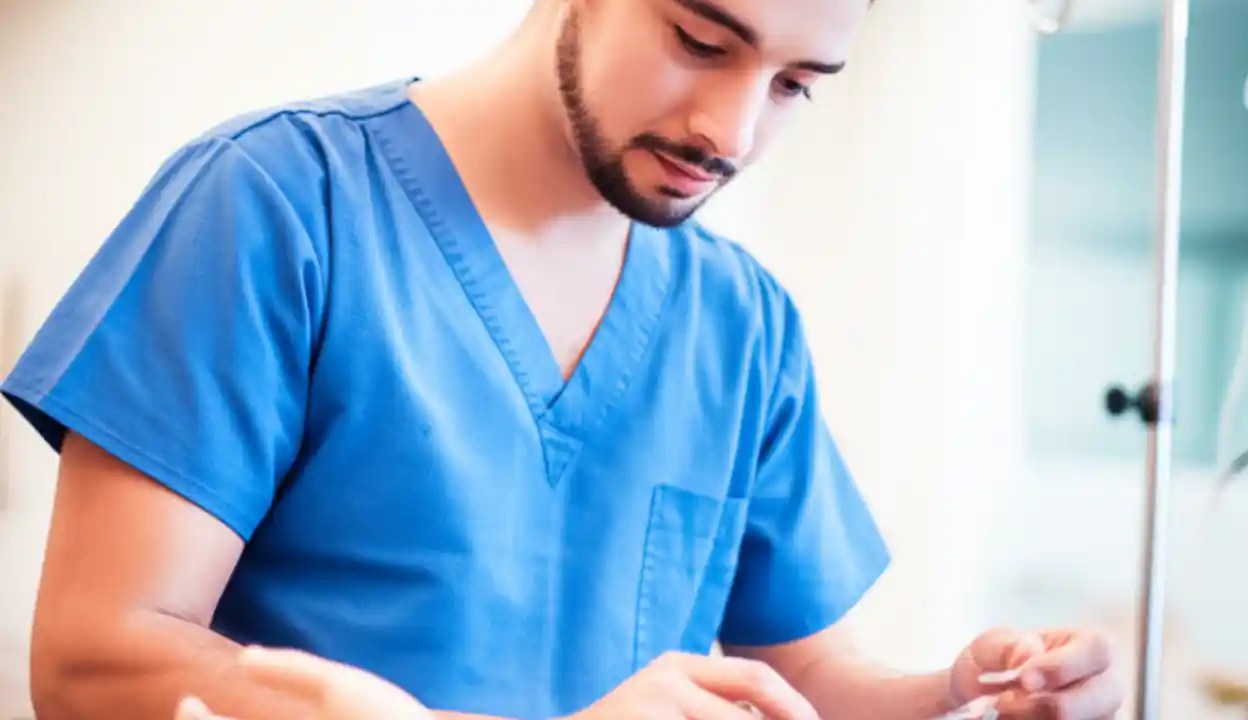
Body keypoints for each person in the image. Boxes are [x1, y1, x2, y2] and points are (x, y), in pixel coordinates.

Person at [1, 0, 1122, 718]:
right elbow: (93, 665)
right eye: (699, 40)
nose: (730, 133)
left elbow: (802, 681)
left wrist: (969, 694)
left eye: (792, 85)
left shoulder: (741, 325)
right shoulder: (276, 206)